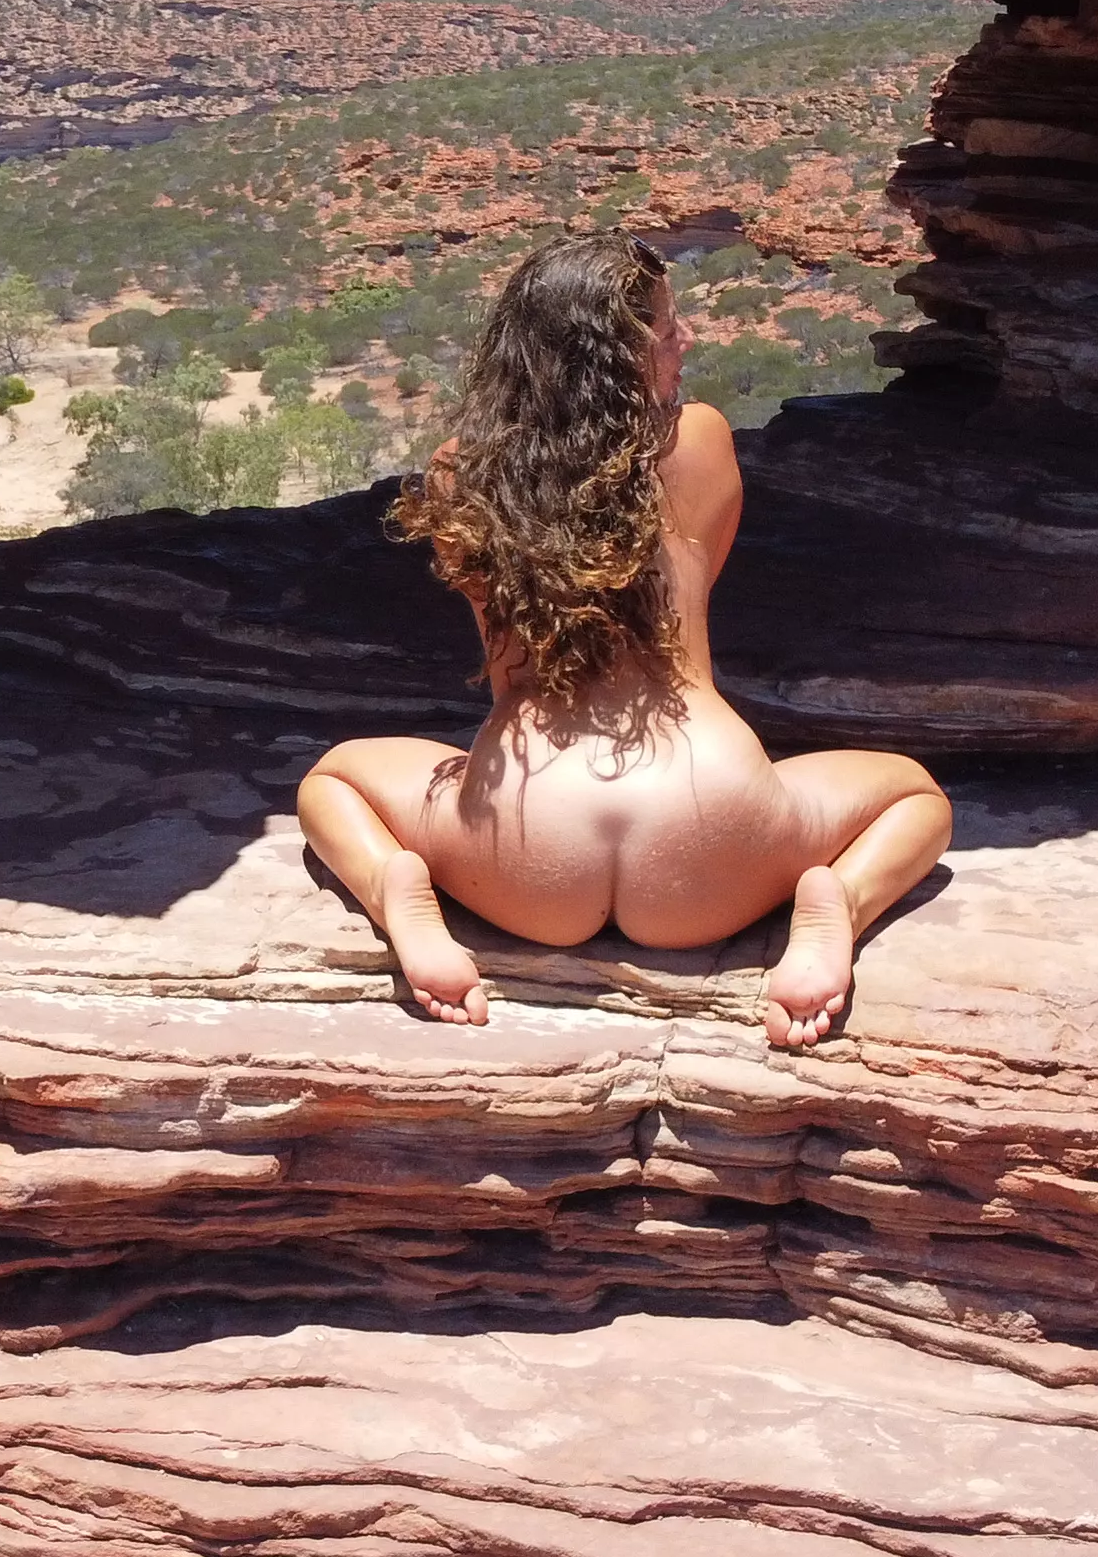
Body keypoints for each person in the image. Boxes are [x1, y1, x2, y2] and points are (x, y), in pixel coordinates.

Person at [298, 234, 951, 1048]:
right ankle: (836, 905)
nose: (687, 340)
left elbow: (504, 660)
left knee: (335, 779)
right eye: (668, 328)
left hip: (527, 850)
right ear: (620, 355)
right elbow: (699, 589)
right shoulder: (700, 440)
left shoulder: (462, 474)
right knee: (915, 797)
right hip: (706, 836)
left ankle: (396, 891)